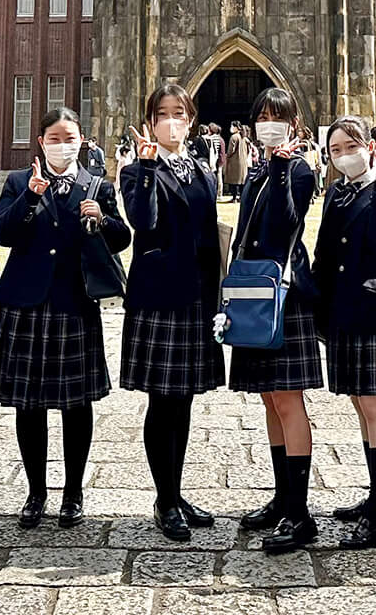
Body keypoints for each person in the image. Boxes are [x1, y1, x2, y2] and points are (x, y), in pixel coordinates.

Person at [0, 106, 132, 529]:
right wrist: (31, 197)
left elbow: (121, 238)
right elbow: (2, 233)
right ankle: (36, 491)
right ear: (41, 142)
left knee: (76, 403)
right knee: (28, 403)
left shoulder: (95, 185)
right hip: (27, 304)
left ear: (82, 141)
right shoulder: (19, 182)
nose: (62, 144)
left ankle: (73, 491)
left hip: (74, 303)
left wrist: (101, 218)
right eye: (54, 137)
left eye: (69, 138)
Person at [119, 81, 224, 541]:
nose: (171, 121)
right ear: (150, 121)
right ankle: (164, 499)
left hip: (196, 298)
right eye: (163, 113)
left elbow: (208, 236)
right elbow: (143, 220)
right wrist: (145, 166)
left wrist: (218, 297)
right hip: (159, 297)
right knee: (161, 401)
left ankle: (176, 492)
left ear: (191, 119)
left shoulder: (203, 171)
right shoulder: (136, 169)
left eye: (179, 112)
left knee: (182, 401)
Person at [228, 86, 322, 554]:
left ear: (293, 125)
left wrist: (284, 168)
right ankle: (283, 498)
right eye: (262, 115)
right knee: (270, 400)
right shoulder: (259, 170)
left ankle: (301, 513)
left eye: (277, 116)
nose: (269, 122)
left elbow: (285, 226)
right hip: (255, 291)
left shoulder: (297, 170)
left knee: (288, 401)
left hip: (285, 295)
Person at [315, 116, 376, 549]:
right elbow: (323, 249)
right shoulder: (337, 193)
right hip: (343, 311)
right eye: (334, 150)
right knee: (359, 401)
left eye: (349, 146)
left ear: (370, 145)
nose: (343, 156)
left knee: (375, 404)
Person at [224, 122, 252, 201]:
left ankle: (234, 197)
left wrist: (227, 156)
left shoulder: (234, 137)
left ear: (236, 127)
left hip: (234, 162)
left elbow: (231, 150)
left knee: (233, 181)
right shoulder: (244, 137)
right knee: (241, 181)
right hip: (243, 162)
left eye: (232, 126)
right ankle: (241, 197)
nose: (231, 128)